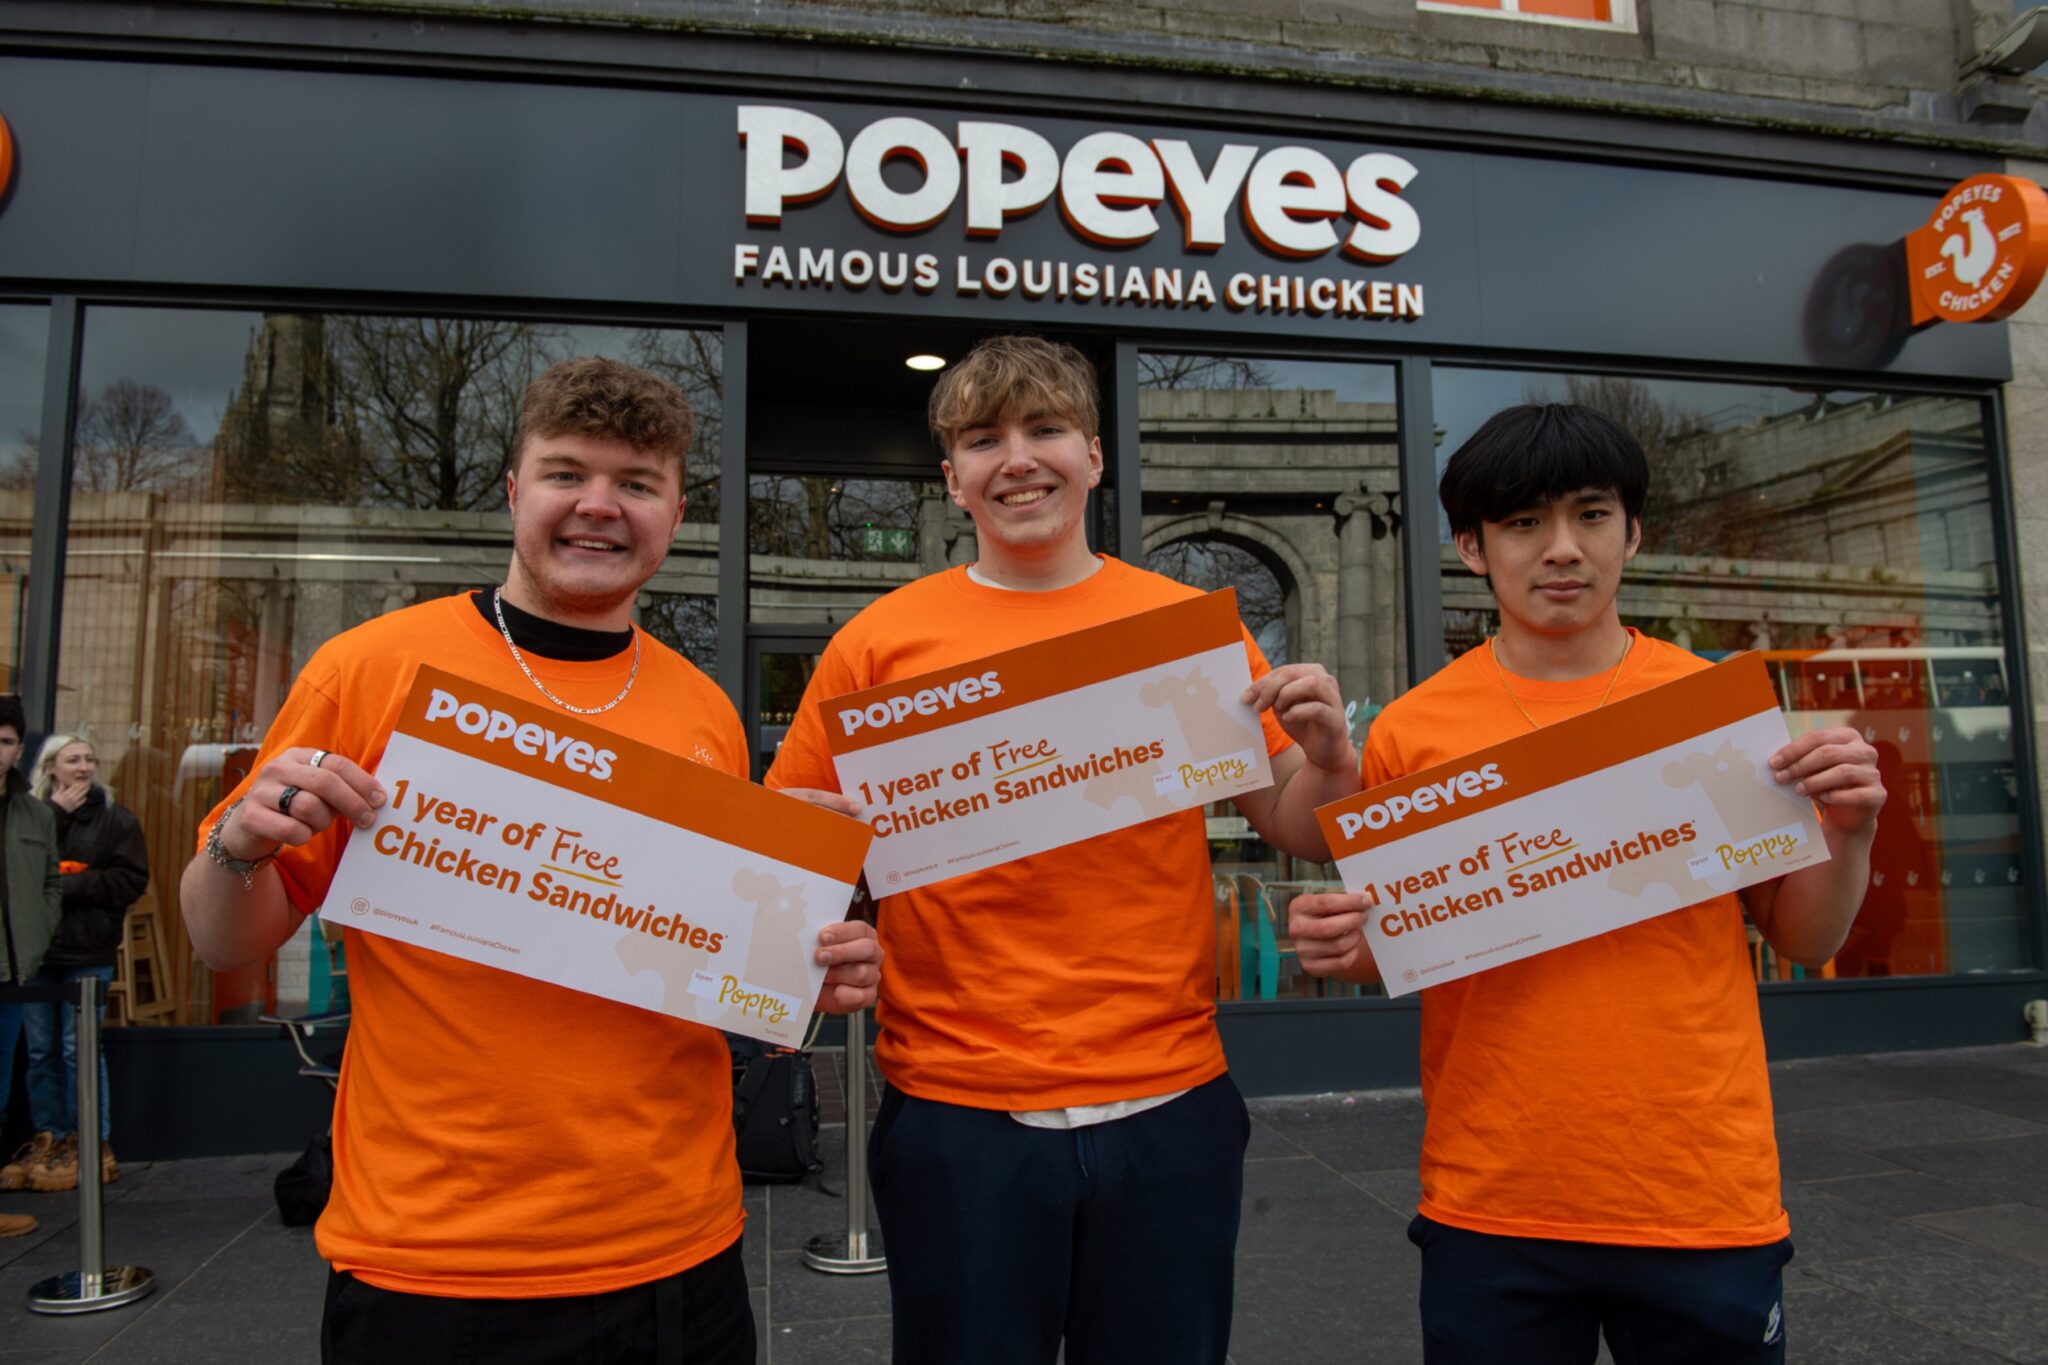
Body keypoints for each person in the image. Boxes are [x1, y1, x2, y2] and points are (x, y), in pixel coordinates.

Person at [178, 357, 882, 1364]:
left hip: (676, 1248)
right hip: (434, 1257)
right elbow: (219, 938)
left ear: (674, 510)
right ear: (514, 492)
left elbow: (700, 968)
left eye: (635, 484)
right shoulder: (372, 670)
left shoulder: (702, 712)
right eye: (566, 474)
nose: (598, 507)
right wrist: (238, 845)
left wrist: (804, 970)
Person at [765, 334, 1361, 1365]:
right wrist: (826, 934)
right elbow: (795, 864)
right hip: (957, 1110)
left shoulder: (1182, 630)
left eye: (1044, 429)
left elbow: (1297, 829)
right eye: (983, 440)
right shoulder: (878, 643)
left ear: (1092, 455)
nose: (1017, 458)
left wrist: (1330, 757)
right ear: (952, 478)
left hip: (1168, 1101)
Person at [1289, 404, 1886, 1364]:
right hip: (1495, 1190)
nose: (1561, 549)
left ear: (1633, 530)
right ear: (1473, 548)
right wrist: (1341, 946)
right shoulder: (1411, 731)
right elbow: (1402, 938)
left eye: (1592, 515)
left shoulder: (1711, 708)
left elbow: (1804, 937)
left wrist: (1847, 833)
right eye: (1524, 523)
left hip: (1698, 1187)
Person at [15, 735, 148, 1193]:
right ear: (51, 767)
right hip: (37, 951)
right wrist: (55, 818)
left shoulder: (116, 819)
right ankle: (48, 1138)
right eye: (74, 760)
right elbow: (20, 871)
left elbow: (130, 880)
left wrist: (67, 884)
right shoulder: (32, 817)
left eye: (91, 758)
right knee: (39, 1051)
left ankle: (92, 1142)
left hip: (88, 949)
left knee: (80, 1050)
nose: (85, 767)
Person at [0, 695, 61, 1237]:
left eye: (5, 740)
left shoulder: (33, 813)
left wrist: (36, 939)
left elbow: (49, 883)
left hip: (13, 969)